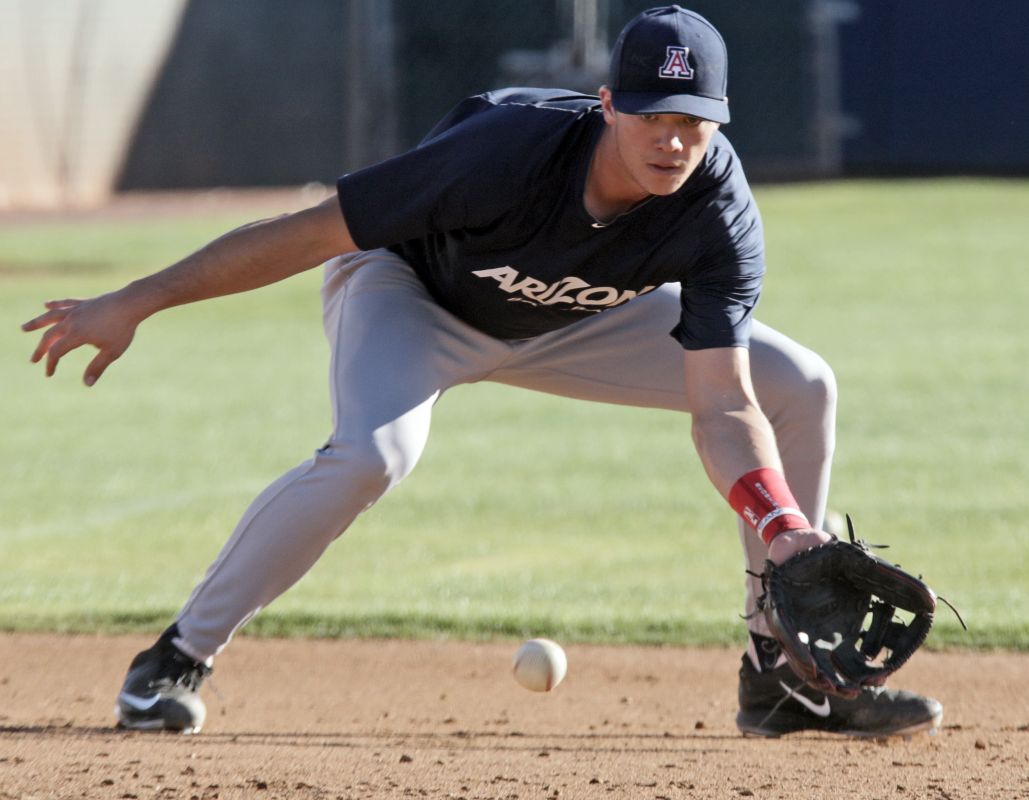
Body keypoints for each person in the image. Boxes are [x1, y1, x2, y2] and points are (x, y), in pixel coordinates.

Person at [23, 6, 941, 738]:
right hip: (412, 296)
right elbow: (306, 234)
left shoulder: (716, 208)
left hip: (579, 315)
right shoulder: (503, 152)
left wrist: (781, 527)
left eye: (692, 122)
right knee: (370, 456)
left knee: (798, 384)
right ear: (607, 105)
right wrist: (137, 299)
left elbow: (722, 402)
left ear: (719, 121)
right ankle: (174, 660)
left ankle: (780, 679)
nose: (671, 141)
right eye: (652, 116)